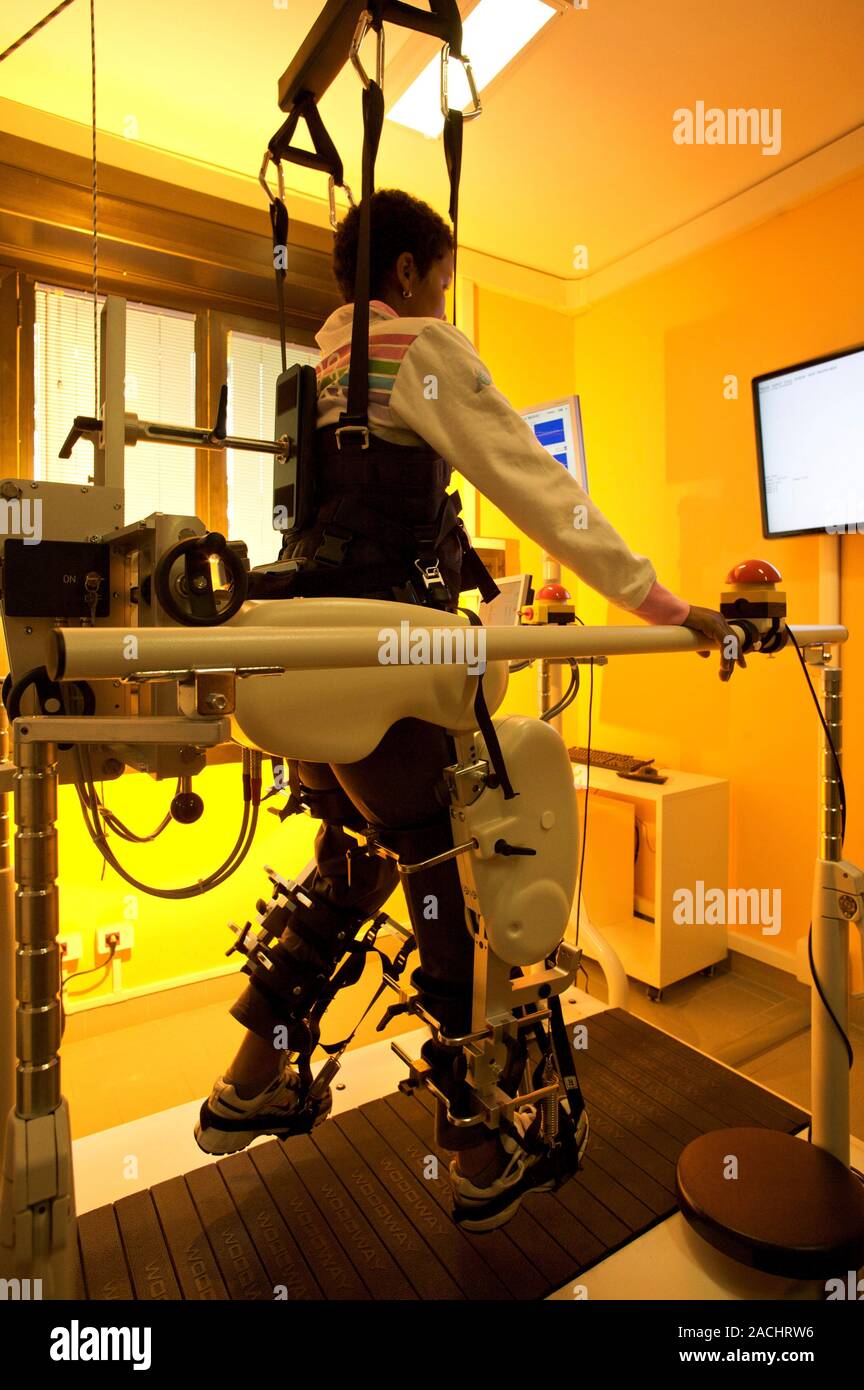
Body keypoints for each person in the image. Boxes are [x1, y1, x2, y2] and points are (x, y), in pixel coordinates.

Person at [195, 189, 743, 1231]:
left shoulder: (322, 367)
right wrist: (665, 606)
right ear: (407, 273)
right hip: (382, 665)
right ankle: (481, 1152)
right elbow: (540, 484)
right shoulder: (419, 348)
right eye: (442, 280)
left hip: (300, 661)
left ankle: (247, 1083)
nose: (444, 300)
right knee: (442, 881)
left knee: (354, 863)